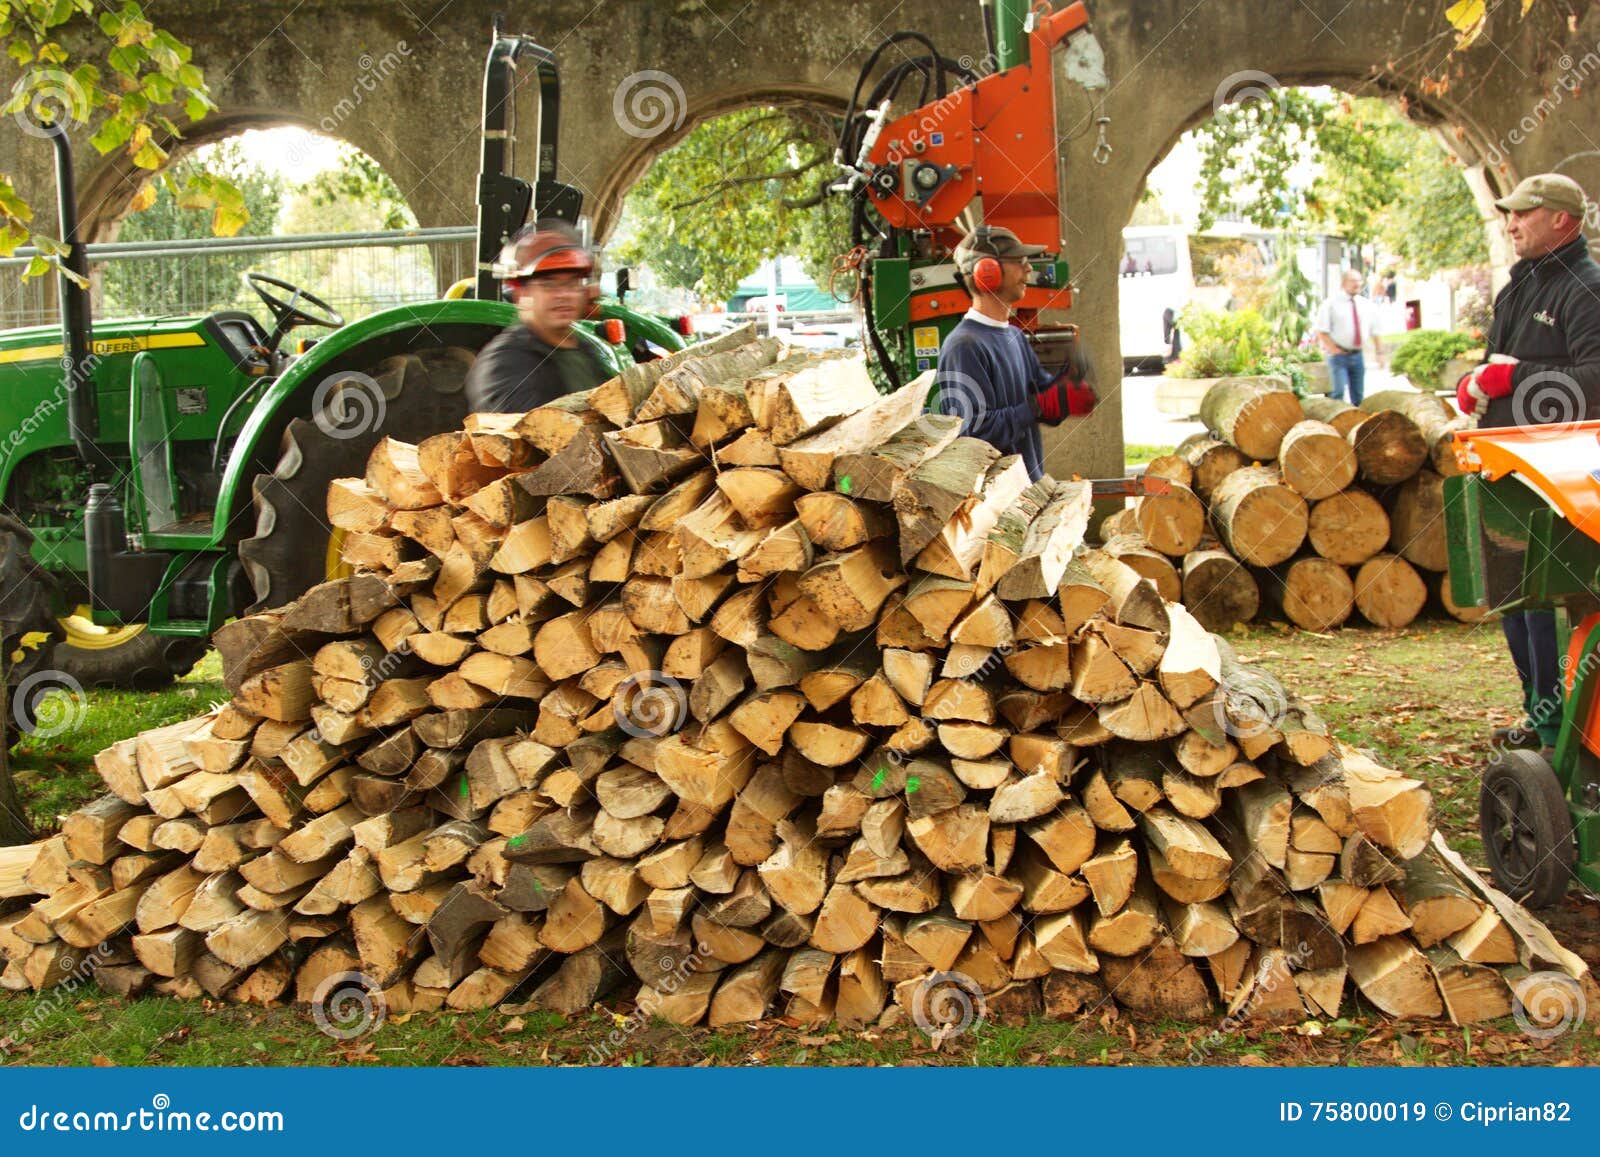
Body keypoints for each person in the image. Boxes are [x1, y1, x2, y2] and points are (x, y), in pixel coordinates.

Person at [1452, 172, 1600, 753]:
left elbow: (1594, 381)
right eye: (1508, 214)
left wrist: (1513, 379)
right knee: (1513, 600)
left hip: (1560, 479)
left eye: (1523, 213)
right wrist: (1475, 385)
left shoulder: (1585, 289)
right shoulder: (1518, 286)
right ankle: (1539, 717)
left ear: (1562, 219)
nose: (1510, 223)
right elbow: (1497, 366)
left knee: (1548, 606)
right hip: (1505, 470)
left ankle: (1564, 730)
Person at [933, 225, 1095, 482]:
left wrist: (1065, 392)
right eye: (1019, 261)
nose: (1028, 268)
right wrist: (1039, 406)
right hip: (993, 500)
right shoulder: (964, 346)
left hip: (1027, 490)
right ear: (988, 271)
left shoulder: (1015, 337)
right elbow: (974, 434)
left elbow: (1041, 403)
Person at [464, 221, 614, 413]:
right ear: (521, 293)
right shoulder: (505, 365)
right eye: (548, 285)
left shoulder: (585, 351)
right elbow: (532, 430)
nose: (564, 295)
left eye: (571, 284)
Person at [1314, 268, 1382, 405]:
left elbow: (1375, 331)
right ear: (1344, 283)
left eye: (1359, 281)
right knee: (1338, 392)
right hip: (1338, 356)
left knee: (1358, 395)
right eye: (1353, 281)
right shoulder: (1331, 304)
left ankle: (1357, 417)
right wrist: (1333, 349)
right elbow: (1321, 330)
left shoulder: (1366, 305)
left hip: (1357, 355)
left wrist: (1379, 352)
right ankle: (1337, 417)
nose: (1357, 284)